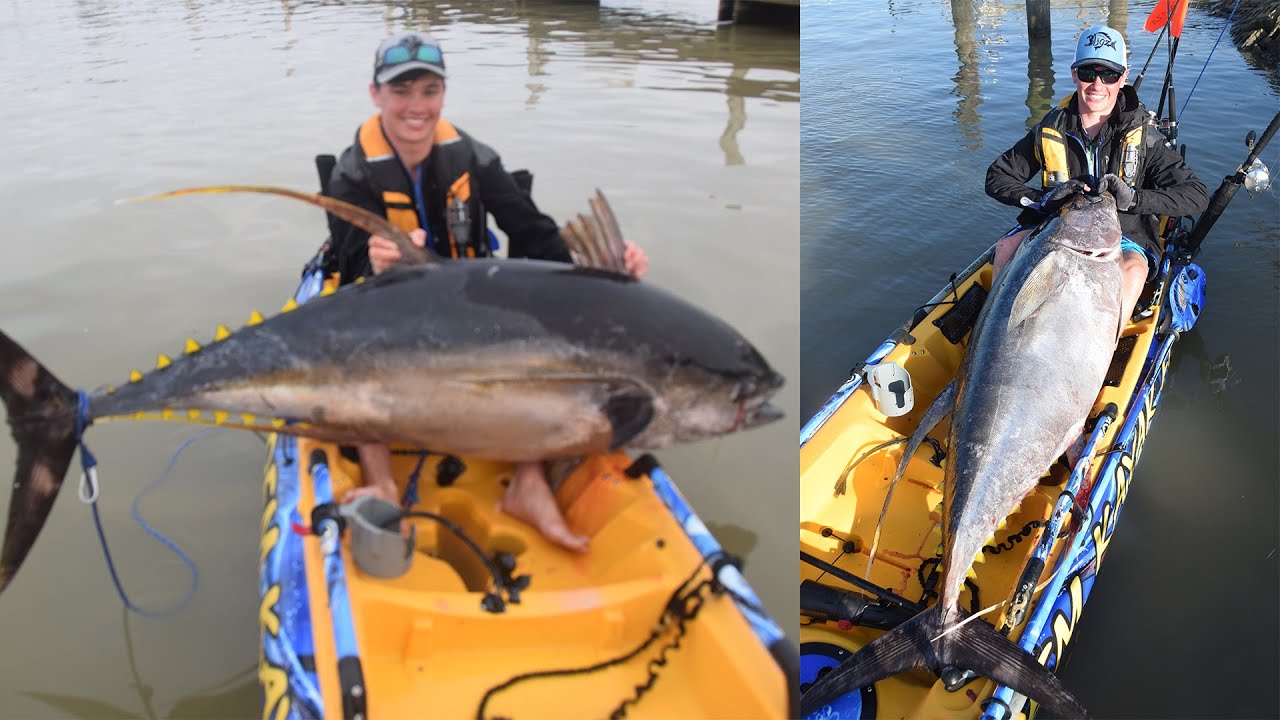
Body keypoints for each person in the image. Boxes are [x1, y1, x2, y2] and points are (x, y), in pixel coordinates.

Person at [326, 30, 648, 553]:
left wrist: (608, 275)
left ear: (444, 95)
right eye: (401, 91)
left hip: (471, 311)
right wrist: (373, 258)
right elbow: (343, 262)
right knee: (359, 356)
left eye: (428, 91)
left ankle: (529, 479)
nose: (416, 106)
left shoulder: (474, 158)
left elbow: (535, 235)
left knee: (536, 353)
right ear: (375, 95)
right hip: (391, 312)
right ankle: (380, 475)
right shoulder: (351, 174)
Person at [985, 24, 1209, 325]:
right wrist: (1043, 199)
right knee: (1006, 246)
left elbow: (1197, 195)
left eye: (1109, 75)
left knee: (1133, 270)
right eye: (1089, 73)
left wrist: (1134, 199)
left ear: (1123, 78)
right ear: (1075, 74)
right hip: (1056, 227)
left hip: (1123, 233)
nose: (1097, 85)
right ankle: (994, 326)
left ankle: (1108, 344)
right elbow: (996, 177)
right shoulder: (1050, 129)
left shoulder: (1146, 139)